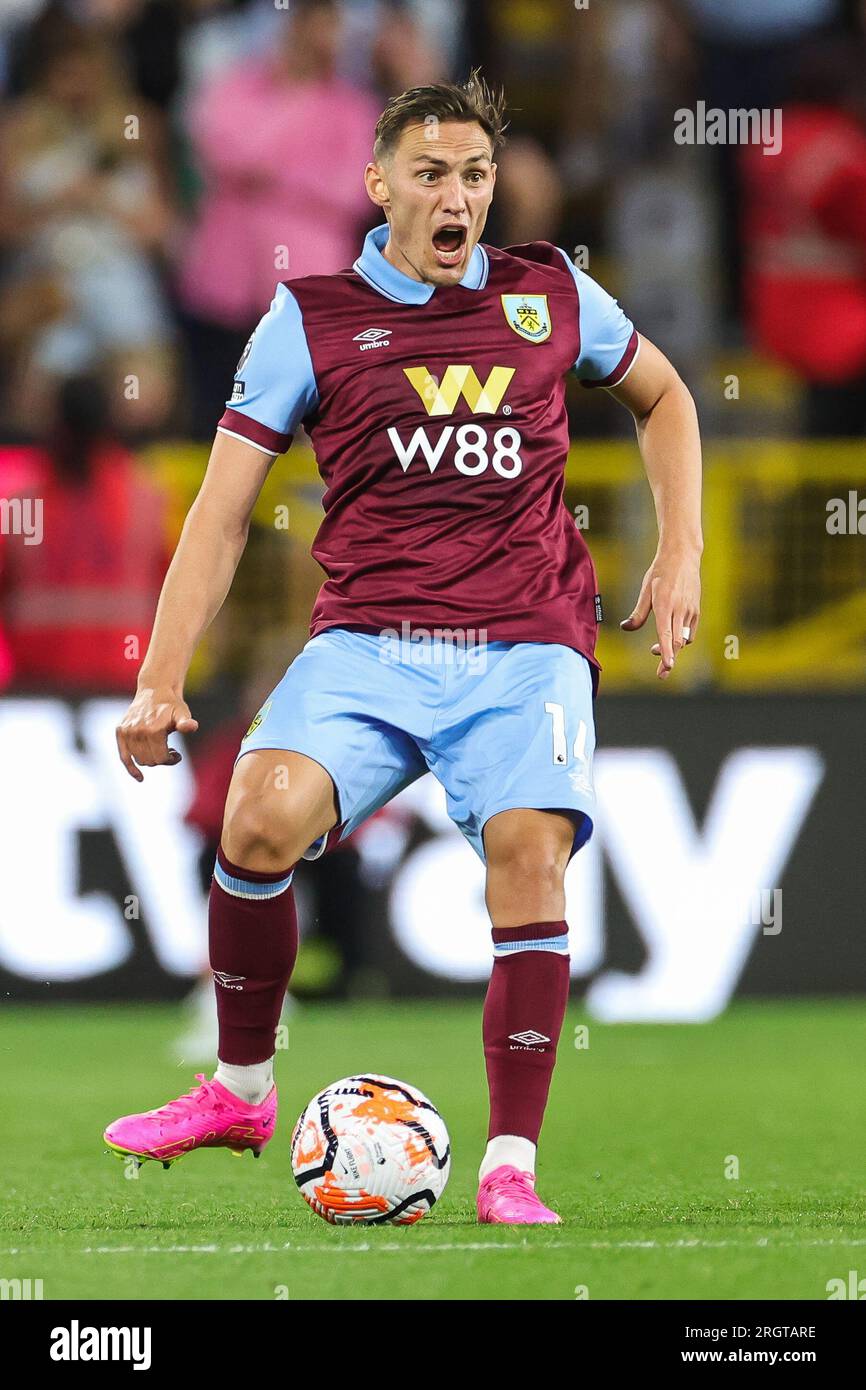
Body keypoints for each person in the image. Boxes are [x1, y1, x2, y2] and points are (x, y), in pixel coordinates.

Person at [105, 74, 703, 1225]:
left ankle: (508, 1166)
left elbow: (666, 396)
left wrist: (678, 554)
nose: (457, 197)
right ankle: (238, 1089)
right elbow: (223, 513)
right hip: (370, 639)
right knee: (257, 817)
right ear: (377, 186)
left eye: (474, 176)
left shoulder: (551, 295)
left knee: (528, 857)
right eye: (430, 174)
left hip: (524, 640)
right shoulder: (310, 317)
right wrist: (159, 677)